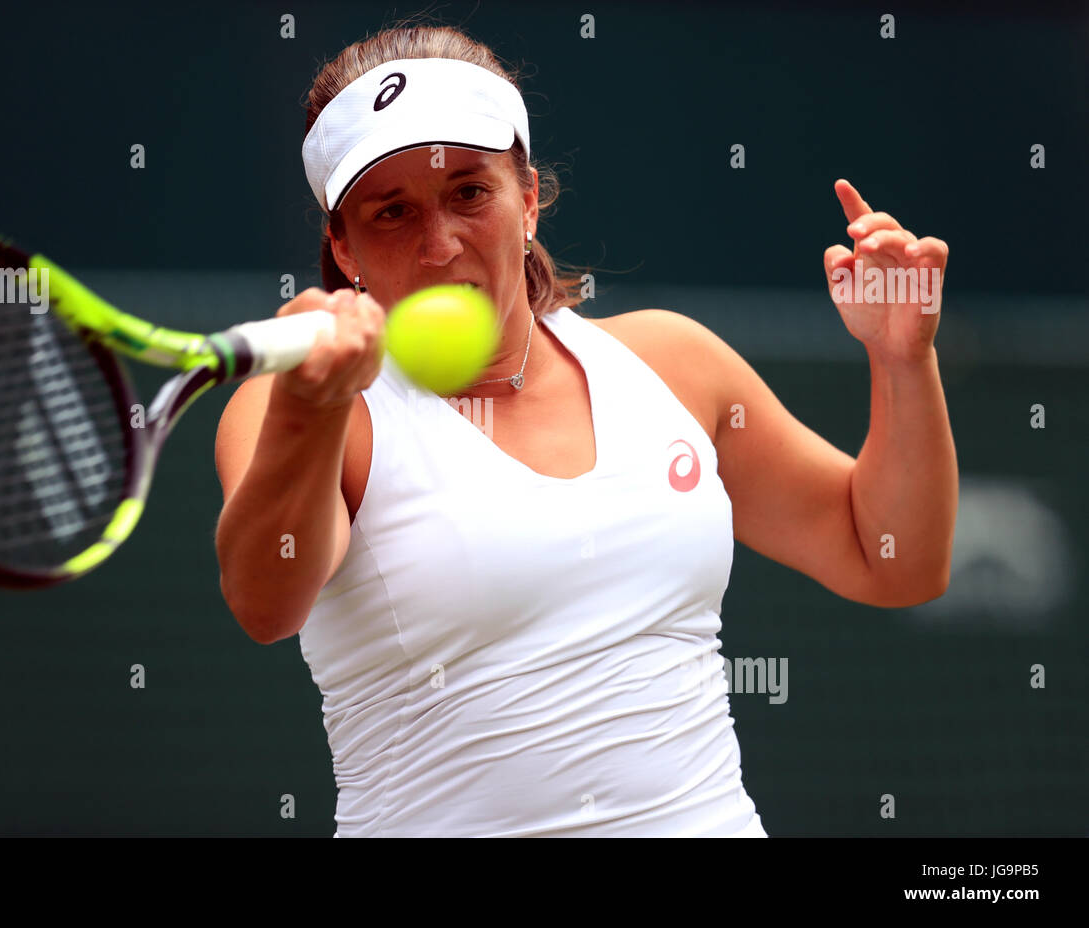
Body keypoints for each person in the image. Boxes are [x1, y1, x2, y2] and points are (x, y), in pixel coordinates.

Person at [213, 24, 957, 837]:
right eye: (392, 212)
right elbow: (265, 605)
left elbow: (893, 562)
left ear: (528, 199)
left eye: (470, 193)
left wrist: (902, 359)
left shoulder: (673, 362)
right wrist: (309, 408)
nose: (439, 244)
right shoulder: (304, 408)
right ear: (343, 246)